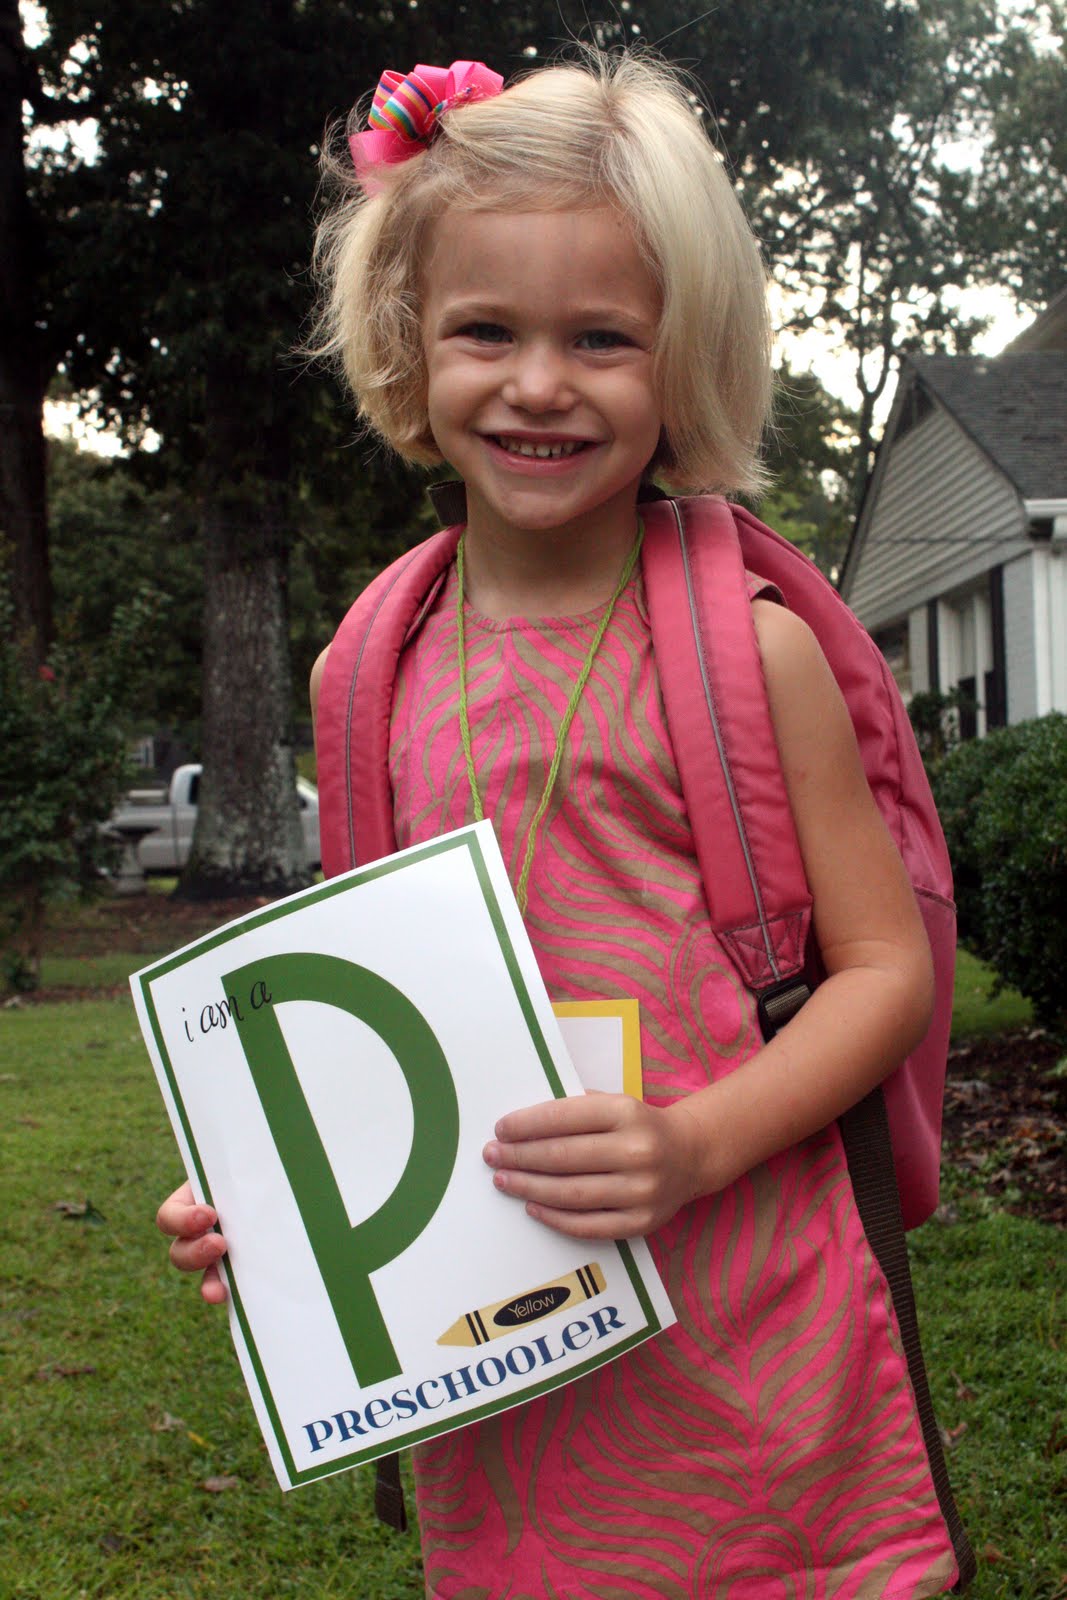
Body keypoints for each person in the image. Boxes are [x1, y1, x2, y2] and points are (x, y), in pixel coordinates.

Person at [157, 50, 965, 1598]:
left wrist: (689, 1141)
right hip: (510, 1376)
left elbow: (883, 972)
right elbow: (368, 1017)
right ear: (408, 343)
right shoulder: (365, 669)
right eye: (487, 333)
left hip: (756, 1348)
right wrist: (263, 1195)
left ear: (690, 359)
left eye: (603, 338)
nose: (539, 383)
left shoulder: (752, 648)